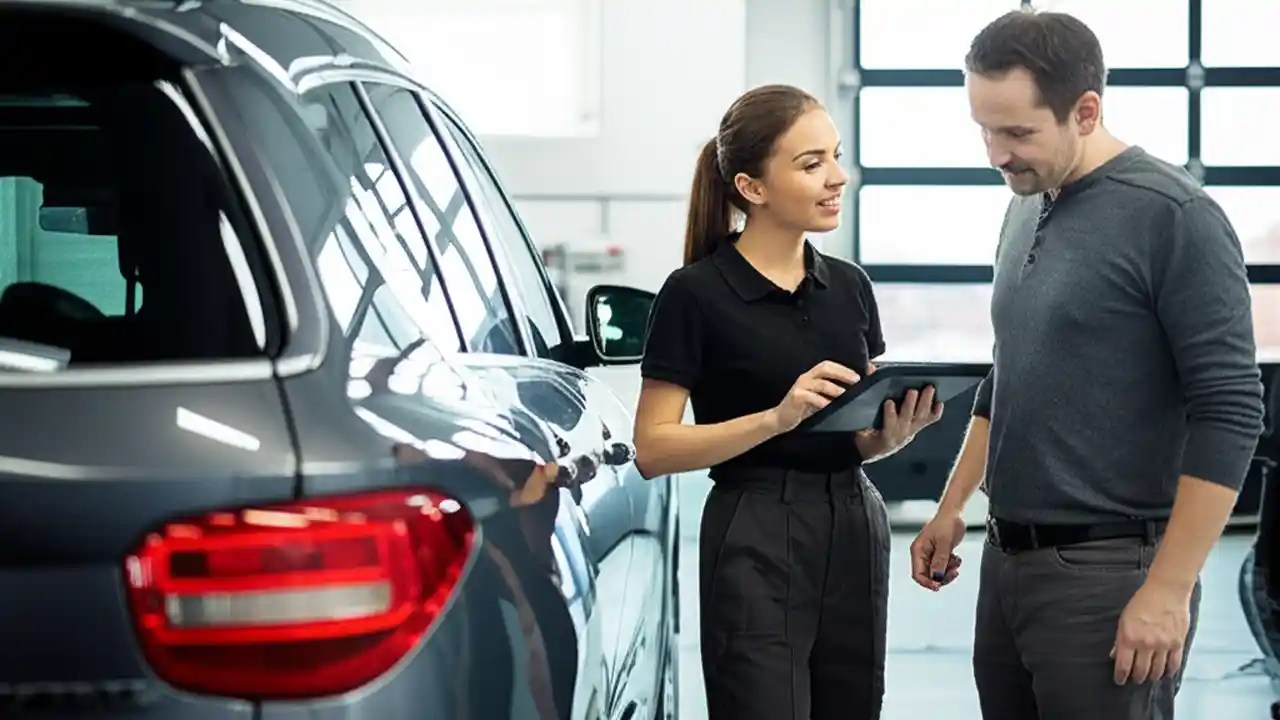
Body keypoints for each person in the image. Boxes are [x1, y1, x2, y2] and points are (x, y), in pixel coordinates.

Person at [908, 10, 1266, 720]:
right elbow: (1009, 374)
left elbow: (1231, 410)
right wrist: (953, 507)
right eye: (984, 128)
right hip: (1005, 563)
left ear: (1085, 110)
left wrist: (1168, 588)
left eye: (1017, 132)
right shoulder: (1026, 202)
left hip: (1109, 576)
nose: (996, 154)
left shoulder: (1175, 217)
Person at [633, 83, 949, 720]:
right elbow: (652, 447)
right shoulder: (695, 294)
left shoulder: (850, 287)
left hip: (854, 520)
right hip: (754, 528)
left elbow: (849, 431)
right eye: (812, 164)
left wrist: (884, 438)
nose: (839, 177)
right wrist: (776, 418)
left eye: (835, 155)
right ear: (752, 188)